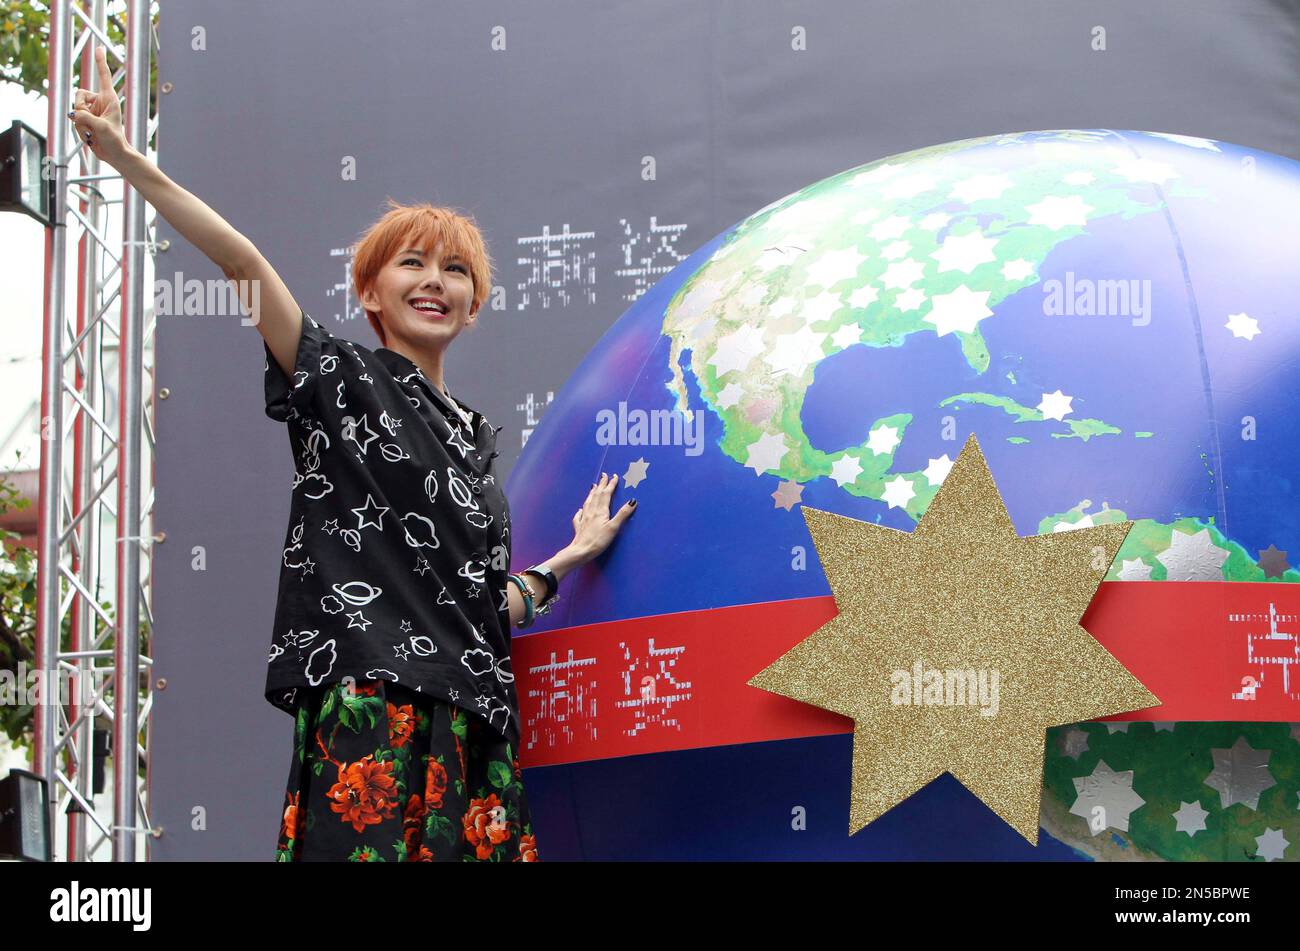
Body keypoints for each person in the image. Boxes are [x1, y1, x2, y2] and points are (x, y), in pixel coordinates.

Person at [69, 45, 636, 862]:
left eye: (456, 270)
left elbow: (474, 609)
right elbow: (241, 262)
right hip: (370, 704)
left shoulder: (472, 439)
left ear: (474, 304)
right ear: (371, 291)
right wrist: (127, 159)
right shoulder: (338, 377)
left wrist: (569, 560)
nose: (435, 280)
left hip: (475, 728)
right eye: (412, 263)